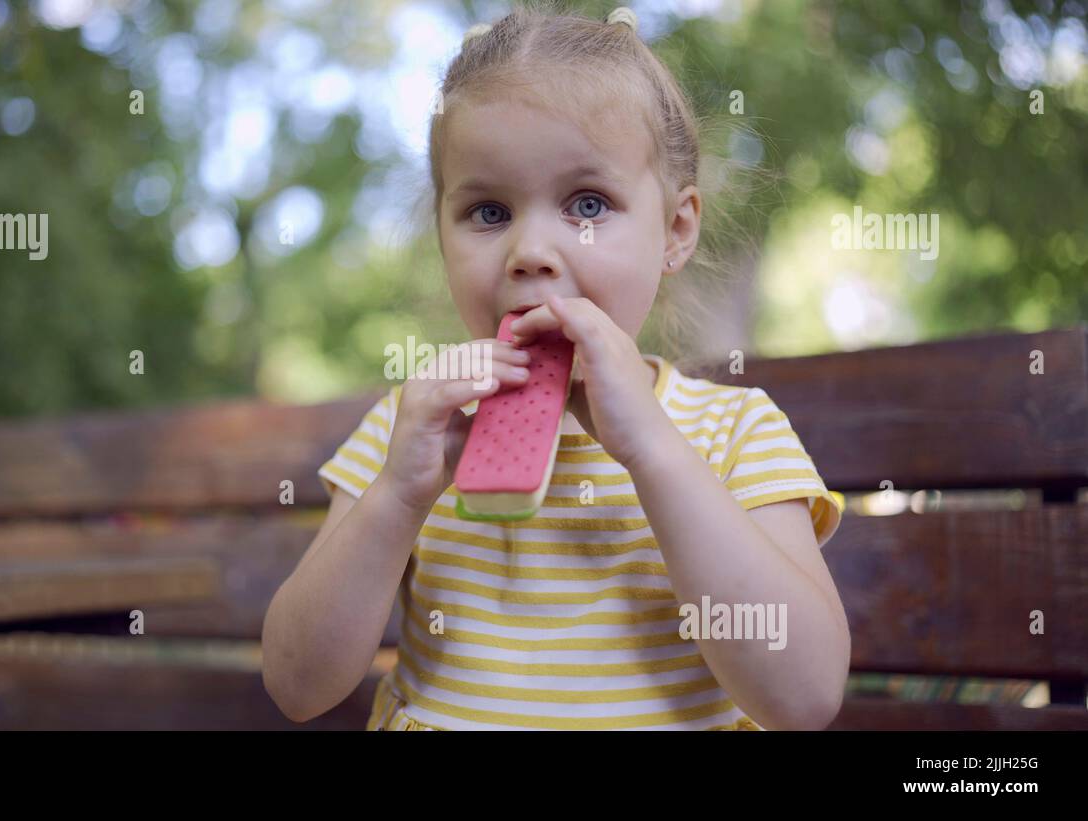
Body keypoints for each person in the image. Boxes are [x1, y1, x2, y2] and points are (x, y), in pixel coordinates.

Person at [262, 3, 849, 731]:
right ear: (441, 233)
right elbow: (297, 684)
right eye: (487, 211)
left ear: (675, 229)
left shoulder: (732, 431)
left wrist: (654, 450)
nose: (531, 250)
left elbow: (804, 696)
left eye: (588, 203)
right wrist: (396, 499)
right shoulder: (411, 430)